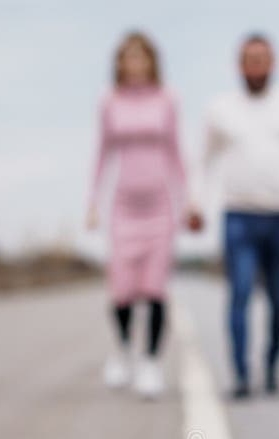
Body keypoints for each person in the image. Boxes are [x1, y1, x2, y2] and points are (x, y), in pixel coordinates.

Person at [189, 33, 279, 398]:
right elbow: (203, 160)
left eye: (262, 59)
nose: (256, 66)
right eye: (249, 59)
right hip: (238, 216)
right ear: (239, 65)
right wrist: (195, 203)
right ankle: (240, 374)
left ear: (273, 63)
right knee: (239, 293)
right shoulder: (220, 109)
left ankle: (271, 366)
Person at [87, 32, 187, 399]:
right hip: (123, 206)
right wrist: (92, 202)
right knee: (123, 290)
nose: (134, 64)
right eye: (127, 57)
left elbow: (177, 152)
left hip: (160, 204)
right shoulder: (109, 101)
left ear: (151, 61)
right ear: (119, 63)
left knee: (155, 287)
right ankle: (123, 350)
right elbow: (101, 154)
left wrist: (187, 199)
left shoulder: (167, 99)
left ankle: (151, 363)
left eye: (141, 57)